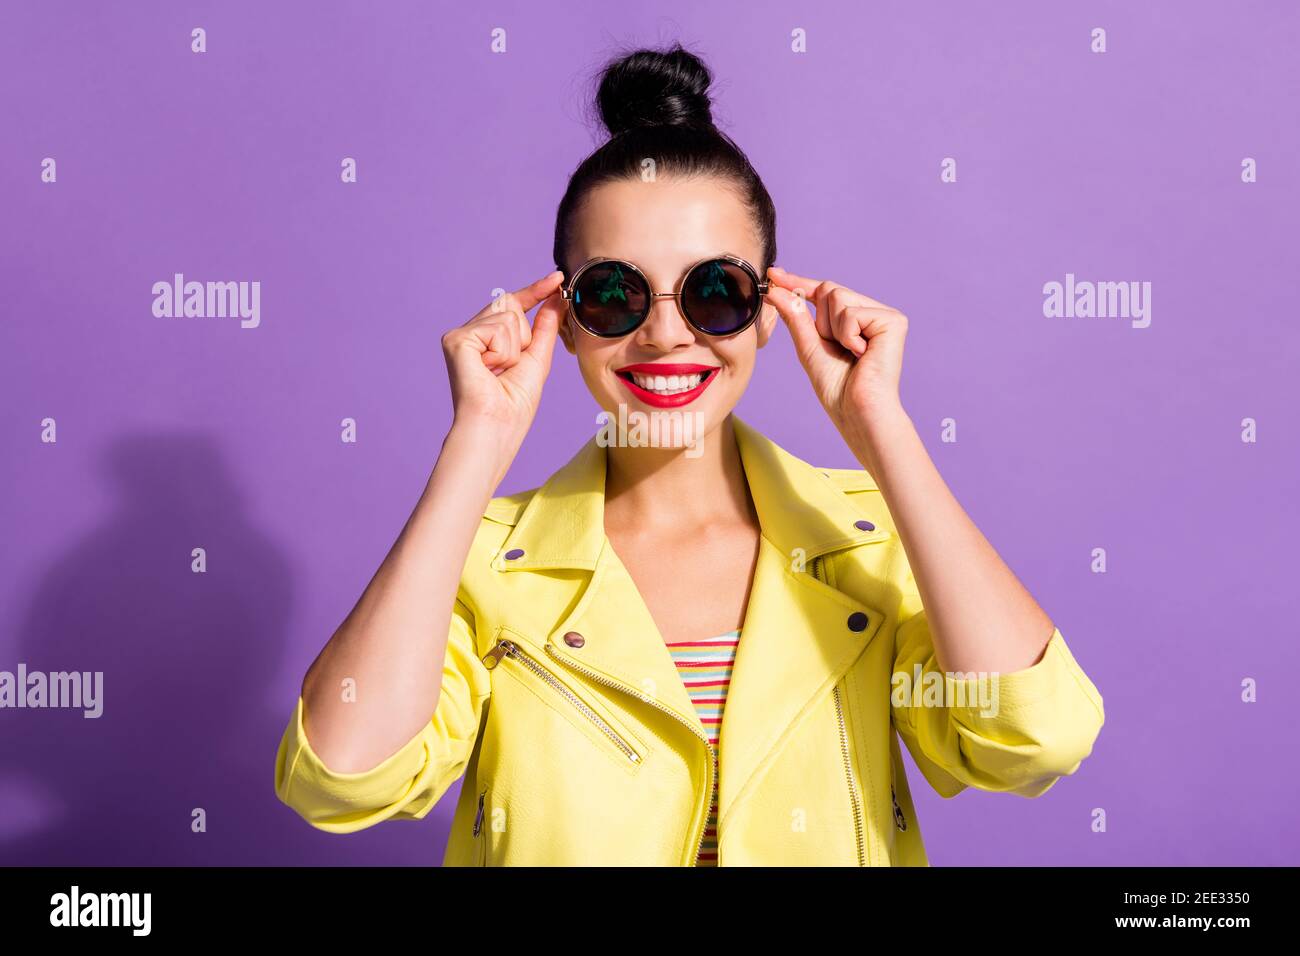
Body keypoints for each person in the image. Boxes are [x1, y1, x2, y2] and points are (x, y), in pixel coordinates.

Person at [273, 43, 1105, 866]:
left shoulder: (868, 541)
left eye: (715, 290)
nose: (665, 332)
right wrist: (474, 447)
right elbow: (343, 779)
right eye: (613, 292)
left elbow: (1031, 741)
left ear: (772, 307)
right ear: (559, 320)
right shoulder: (483, 561)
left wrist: (882, 428)